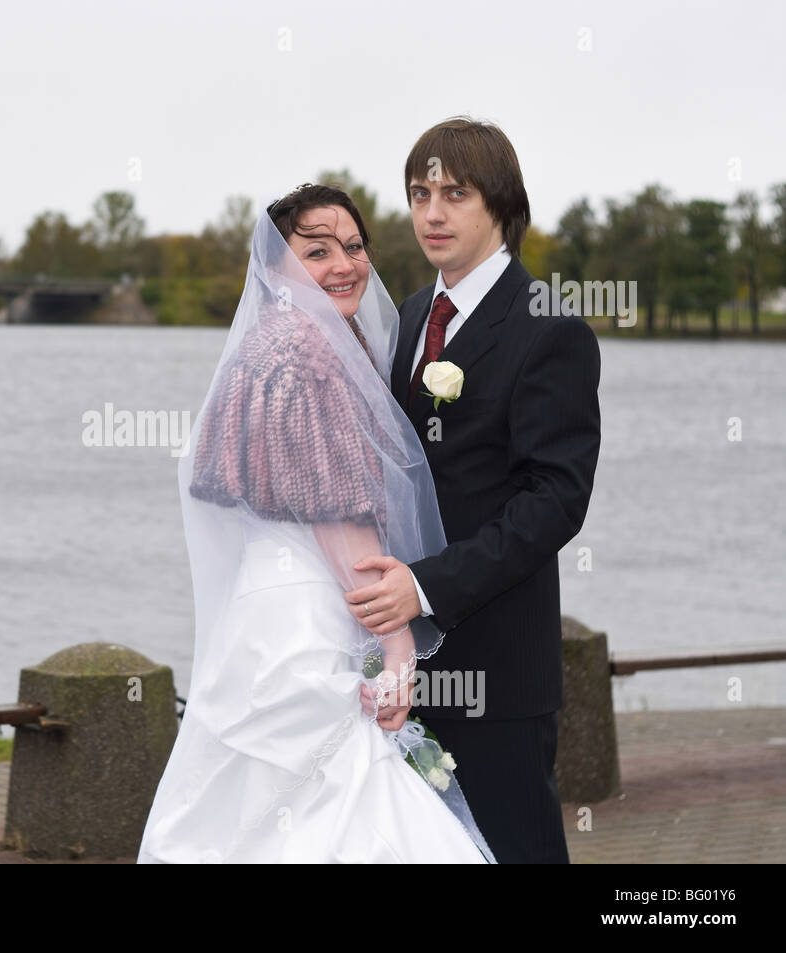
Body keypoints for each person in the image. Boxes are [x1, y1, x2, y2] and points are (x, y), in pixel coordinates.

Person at [137, 183, 494, 863]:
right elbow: (337, 514)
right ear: (275, 269)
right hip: (308, 622)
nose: (344, 264)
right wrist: (394, 645)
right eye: (316, 251)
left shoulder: (260, 347)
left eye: (354, 247)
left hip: (260, 614)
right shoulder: (310, 353)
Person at [346, 118, 602, 863]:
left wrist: (424, 588)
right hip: (400, 664)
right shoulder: (411, 318)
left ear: (501, 203)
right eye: (419, 193)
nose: (431, 212)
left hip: (498, 670)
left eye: (454, 193)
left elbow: (556, 498)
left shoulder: (549, 328)